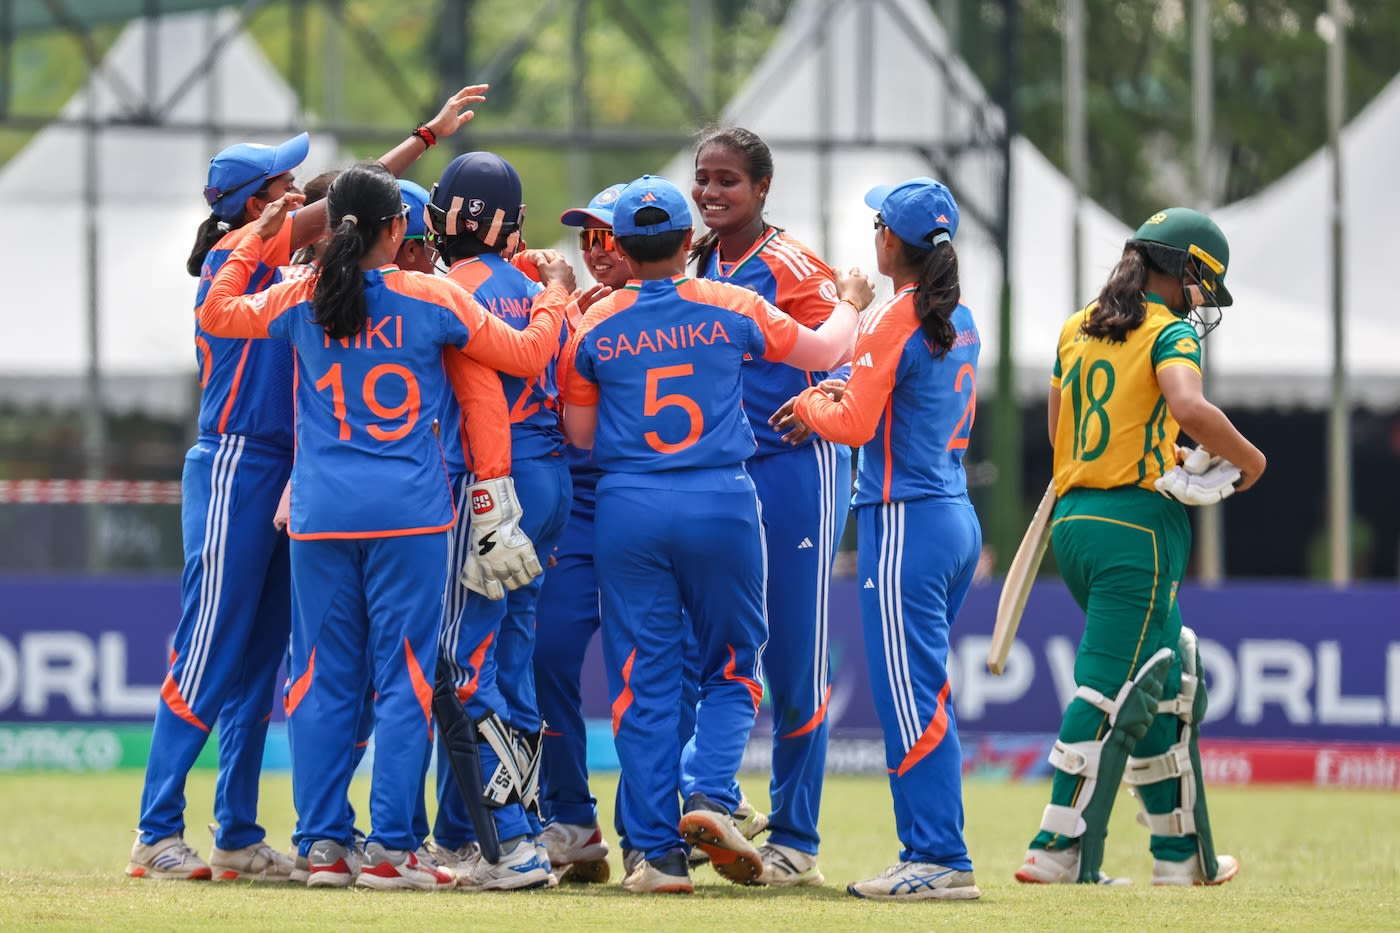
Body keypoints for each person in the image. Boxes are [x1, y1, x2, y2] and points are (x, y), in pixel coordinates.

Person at [127, 84, 489, 883]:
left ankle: (236, 832)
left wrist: (425, 136)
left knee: (261, 663)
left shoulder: (301, 274)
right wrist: (420, 140)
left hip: (300, 479)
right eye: (286, 184)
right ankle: (155, 831)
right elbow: (345, 204)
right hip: (235, 464)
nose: (301, 191)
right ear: (255, 206)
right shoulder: (244, 265)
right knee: (207, 651)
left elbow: (361, 196)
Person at [195, 161, 575, 890]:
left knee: (318, 679)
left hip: (319, 515)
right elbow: (527, 355)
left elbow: (216, 312)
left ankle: (323, 847)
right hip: (411, 515)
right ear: (398, 229)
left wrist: (258, 238)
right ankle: (392, 849)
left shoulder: (302, 294)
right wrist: (556, 296)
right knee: (402, 680)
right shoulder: (429, 295)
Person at [559, 175, 869, 895]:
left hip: (628, 506)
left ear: (624, 250)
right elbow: (825, 352)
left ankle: (658, 858)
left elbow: (578, 434)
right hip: (723, 499)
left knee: (644, 682)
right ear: (684, 239)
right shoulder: (733, 302)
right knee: (733, 665)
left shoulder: (593, 324)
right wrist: (853, 302)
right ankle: (707, 792)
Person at [1012, 207, 1264, 886]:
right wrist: (1250, 459)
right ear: (1182, 268)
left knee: (1169, 679)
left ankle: (1182, 856)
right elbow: (1188, 407)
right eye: (1202, 283)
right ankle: (1056, 847)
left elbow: (1062, 427)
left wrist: (1159, 448)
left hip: (1077, 523)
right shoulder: (1168, 330)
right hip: (1138, 525)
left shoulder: (1078, 325)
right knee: (1112, 685)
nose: (1202, 300)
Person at [772, 177, 983, 901]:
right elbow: (894, 403)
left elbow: (858, 426)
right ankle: (936, 849)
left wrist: (807, 397)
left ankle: (936, 856)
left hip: (905, 524)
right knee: (926, 692)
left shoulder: (897, 317)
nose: (872, 236)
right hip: (952, 516)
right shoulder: (963, 318)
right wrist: (839, 396)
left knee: (910, 697)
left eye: (877, 226)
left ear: (892, 241)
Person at [689, 125, 850, 886]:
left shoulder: (789, 263)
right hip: (723, 477)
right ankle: (719, 800)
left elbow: (854, 349)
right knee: (717, 651)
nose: (712, 192)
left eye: (728, 180)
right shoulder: (698, 259)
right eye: (704, 178)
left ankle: (798, 838)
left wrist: (823, 393)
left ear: (761, 189)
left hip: (795, 472)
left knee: (793, 656)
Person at [424, 151, 574, 891]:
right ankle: (474, 835)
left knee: (463, 666)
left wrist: (487, 489)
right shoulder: (538, 288)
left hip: (493, 482)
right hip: (550, 481)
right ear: (511, 225)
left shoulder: (449, 286)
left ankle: (510, 843)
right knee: (510, 667)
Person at [531, 183, 629, 884]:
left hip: (643, 498)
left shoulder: (672, 304)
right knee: (547, 655)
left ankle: (666, 820)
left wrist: (555, 293)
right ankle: (571, 819)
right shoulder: (579, 303)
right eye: (587, 238)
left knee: (657, 671)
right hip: (576, 503)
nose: (597, 253)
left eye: (611, 238)